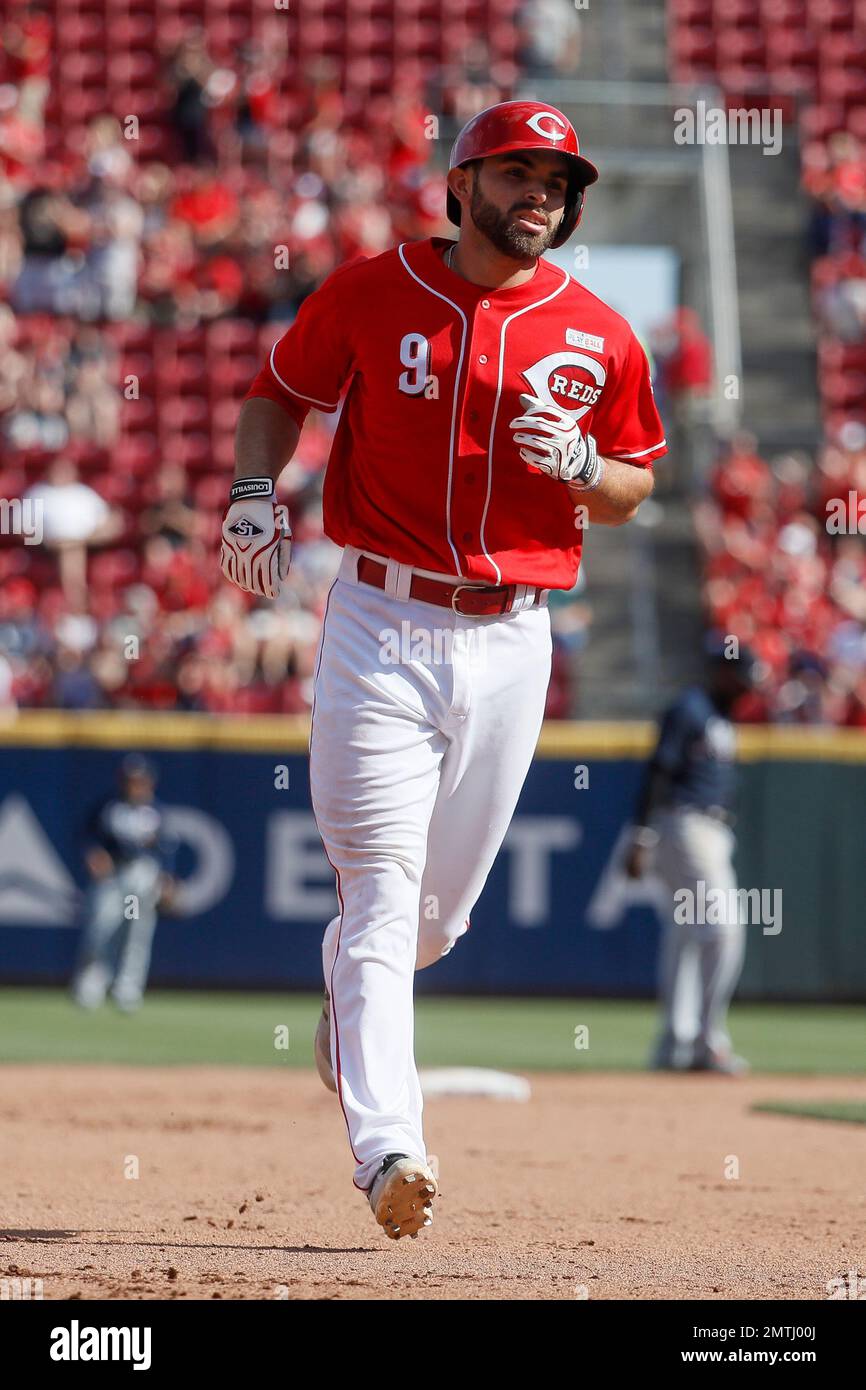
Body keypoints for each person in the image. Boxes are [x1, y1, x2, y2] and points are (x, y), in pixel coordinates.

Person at [220, 100, 666, 1239]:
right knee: (376, 890)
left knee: (431, 920)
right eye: (517, 173)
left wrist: (582, 466)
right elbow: (276, 393)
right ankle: (388, 1148)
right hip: (380, 617)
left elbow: (634, 484)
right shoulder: (371, 291)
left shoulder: (600, 332)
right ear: (459, 186)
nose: (541, 196)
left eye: (557, 183)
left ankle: (346, 1005)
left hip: (515, 635)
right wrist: (250, 490)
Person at [623, 640, 759, 1075]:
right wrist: (641, 833)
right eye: (740, 678)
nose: (746, 688)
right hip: (685, 825)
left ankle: (675, 1044)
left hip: (708, 828)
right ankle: (707, 1040)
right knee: (722, 931)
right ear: (722, 671)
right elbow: (659, 770)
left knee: (684, 933)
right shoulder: (691, 709)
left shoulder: (718, 715)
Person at [71, 756, 177, 1012]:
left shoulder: (155, 811)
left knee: (137, 934)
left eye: (140, 780)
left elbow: (166, 848)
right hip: (113, 875)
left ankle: (127, 990)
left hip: (142, 874)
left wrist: (167, 878)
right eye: (130, 780)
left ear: (149, 782)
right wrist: (94, 854)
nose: (135, 785)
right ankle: (91, 986)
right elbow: (87, 835)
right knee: (100, 927)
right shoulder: (108, 805)